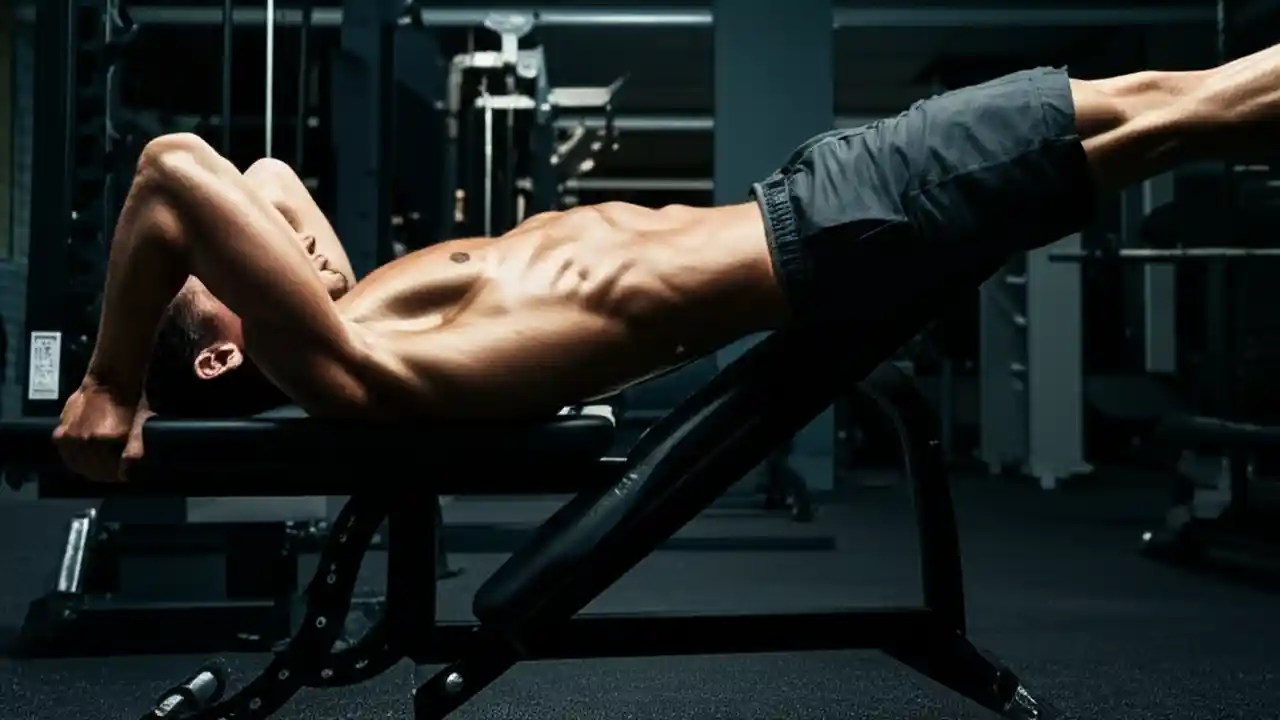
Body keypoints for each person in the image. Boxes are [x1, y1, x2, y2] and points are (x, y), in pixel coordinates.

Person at [54, 44, 1280, 483]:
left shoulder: (360, 314)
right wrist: (112, 384)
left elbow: (264, 181)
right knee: (1182, 113)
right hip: (833, 230)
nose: (278, 249)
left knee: (1170, 104)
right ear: (222, 352)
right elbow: (173, 171)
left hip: (816, 201)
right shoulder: (350, 369)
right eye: (229, 281)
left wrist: (210, 299)